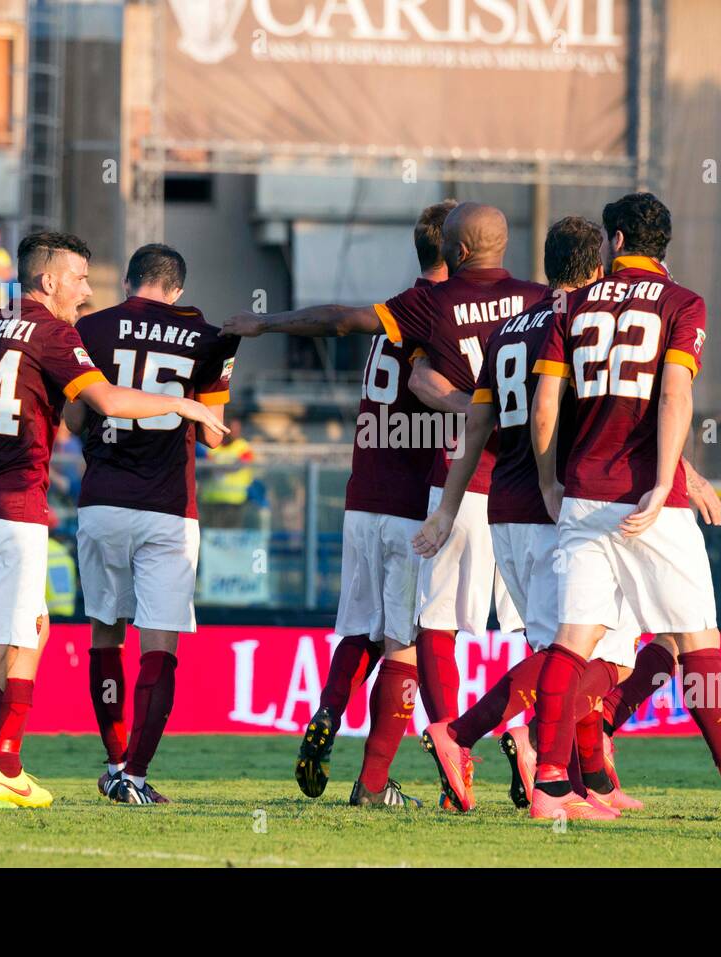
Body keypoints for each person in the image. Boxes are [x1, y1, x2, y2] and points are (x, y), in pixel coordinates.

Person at [226, 201, 549, 806]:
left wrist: (266, 325)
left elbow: (342, 322)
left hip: (393, 493)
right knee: (535, 628)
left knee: (394, 629)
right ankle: (510, 747)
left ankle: (357, 727)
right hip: (504, 486)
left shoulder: (411, 312)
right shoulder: (534, 300)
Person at [0, 230, 229, 811]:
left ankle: (7, 765)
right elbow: (106, 403)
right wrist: (182, 403)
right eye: (80, 277)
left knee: (33, 628)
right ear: (49, 279)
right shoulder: (54, 334)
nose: (86, 290)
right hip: (11, 508)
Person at [414, 216, 721, 814]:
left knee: (569, 647)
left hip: (503, 508)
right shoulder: (576, 320)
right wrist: (679, 475)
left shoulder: (509, 329)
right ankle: (475, 736)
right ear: (597, 263)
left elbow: (476, 425)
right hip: (561, 506)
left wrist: (447, 511)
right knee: (600, 653)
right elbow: (611, 416)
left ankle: (579, 780)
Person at [529, 191, 721, 821]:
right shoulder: (683, 303)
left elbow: (547, 405)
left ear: (615, 238)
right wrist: (666, 483)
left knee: (571, 641)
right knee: (698, 639)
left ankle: (551, 789)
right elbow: (674, 398)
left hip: (582, 494)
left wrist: (553, 484)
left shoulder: (573, 305)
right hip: (647, 502)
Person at [65, 243, 240, 805]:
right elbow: (214, 434)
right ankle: (134, 776)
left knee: (106, 631)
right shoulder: (210, 338)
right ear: (178, 290)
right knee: (159, 642)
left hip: (102, 500)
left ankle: (114, 761)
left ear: (131, 281)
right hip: (167, 506)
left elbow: (72, 417)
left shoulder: (90, 327)